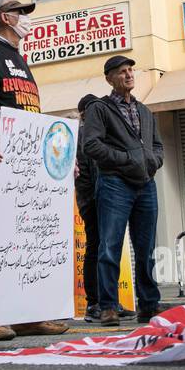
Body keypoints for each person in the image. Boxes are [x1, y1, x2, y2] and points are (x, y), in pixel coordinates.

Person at [0, 0, 70, 341]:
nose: (28, 18)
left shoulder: (21, 60)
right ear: (6, 18)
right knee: (0, 237)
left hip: (30, 160)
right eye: (22, 12)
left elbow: (31, 113)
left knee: (29, 239)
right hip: (3, 156)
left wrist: (58, 158)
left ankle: (28, 314)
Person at [82, 56, 165, 325]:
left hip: (145, 184)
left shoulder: (145, 111)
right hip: (114, 184)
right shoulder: (99, 109)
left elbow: (158, 147)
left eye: (131, 70)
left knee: (146, 248)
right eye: (121, 72)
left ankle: (149, 305)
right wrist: (126, 160)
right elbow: (91, 146)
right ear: (109, 78)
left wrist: (152, 162)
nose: (129, 75)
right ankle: (107, 306)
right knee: (109, 247)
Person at [75, 93, 102, 323]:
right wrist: (93, 197)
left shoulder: (96, 132)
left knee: (105, 248)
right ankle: (94, 302)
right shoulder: (81, 134)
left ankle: (106, 299)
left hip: (99, 199)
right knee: (96, 247)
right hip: (91, 201)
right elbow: (83, 174)